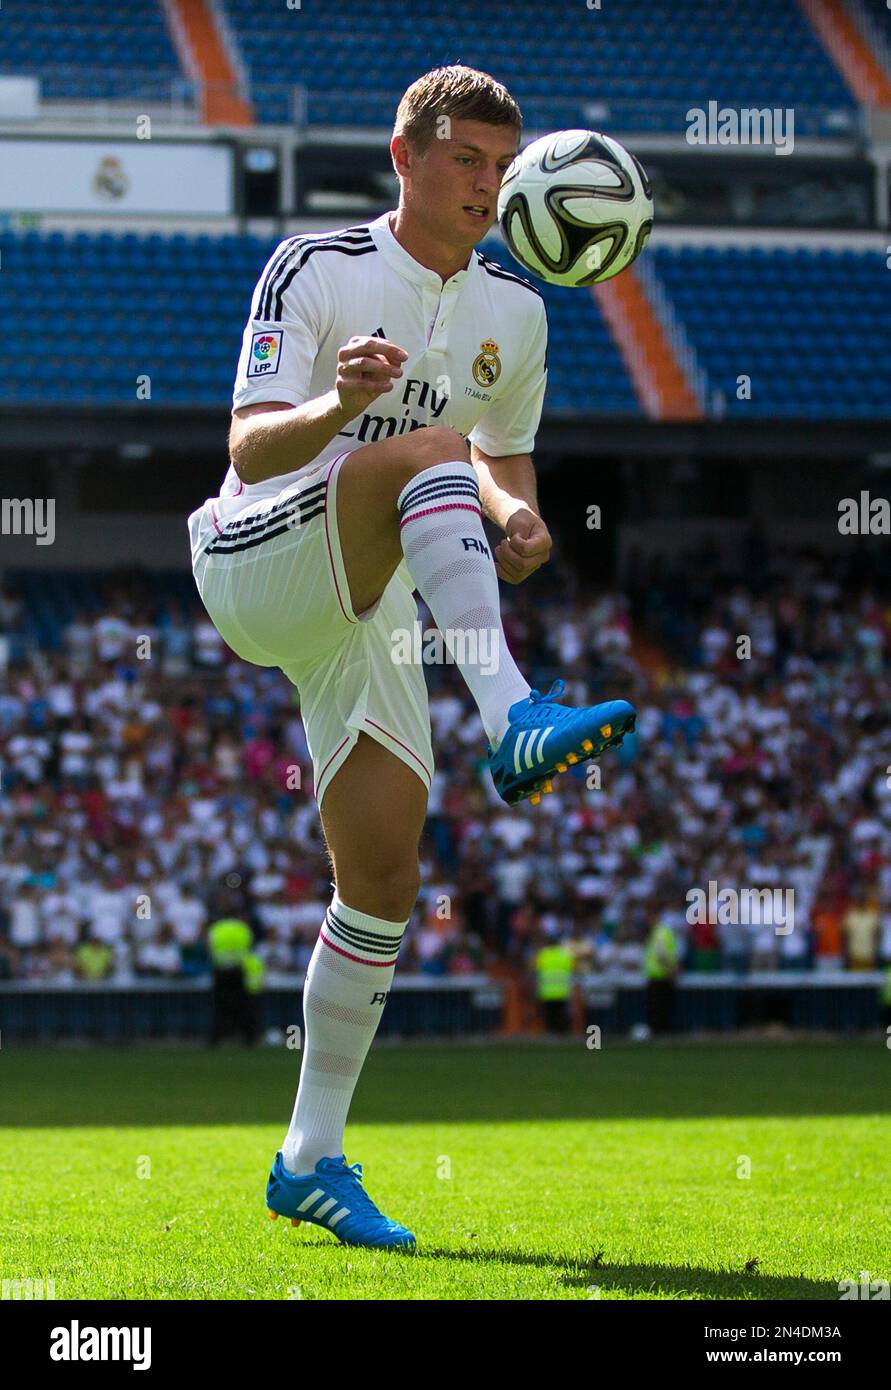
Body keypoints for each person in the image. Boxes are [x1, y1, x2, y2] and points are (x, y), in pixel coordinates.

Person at [187, 65, 635, 1252]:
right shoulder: (318, 268)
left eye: (502, 166)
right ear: (405, 155)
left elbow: (503, 459)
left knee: (381, 877)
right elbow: (245, 440)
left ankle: (309, 1158)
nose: (489, 186)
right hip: (255, 558)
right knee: (422, 445)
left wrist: (517, 520)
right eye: (466, 162)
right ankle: (516, 714)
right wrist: (340, 407)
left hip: (371, 596)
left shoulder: (519, 313)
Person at [644, 908, 680, 1035]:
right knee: (663, 1007)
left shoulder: (660, 933)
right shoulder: (660, 932)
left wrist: (671, 971)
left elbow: (662, 955)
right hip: (660, 975)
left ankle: (661, 1032)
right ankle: (663, 1031)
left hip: (661, 976)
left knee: (659, 1008)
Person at [533, 933, 575, 1034]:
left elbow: (537, 971)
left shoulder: (543, 954)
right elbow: (571, 969)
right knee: (561, 1013)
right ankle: (562, 1032)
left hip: (547, 990)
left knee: (549, 1014)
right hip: (562, 990)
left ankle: (551, 1033)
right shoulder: (565, 955)